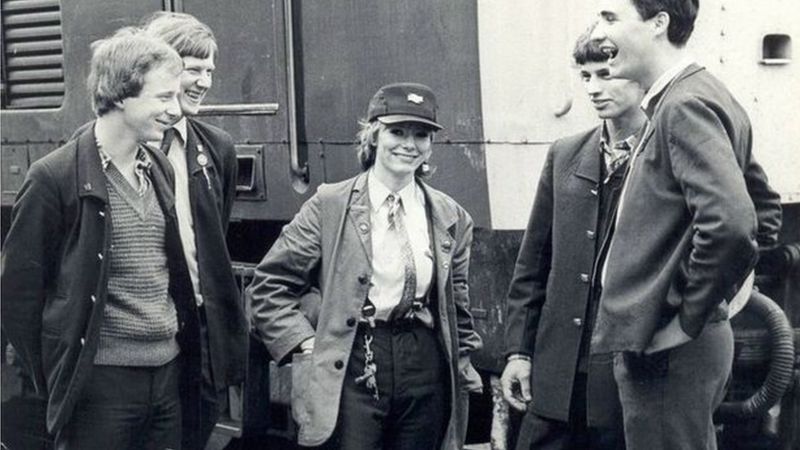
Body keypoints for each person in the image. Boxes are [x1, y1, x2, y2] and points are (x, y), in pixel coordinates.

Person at [589, 1, 783, 448]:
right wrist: (717, 302)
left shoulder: (682, 105)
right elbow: (764, 211)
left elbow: (735, 225)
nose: (600, 32)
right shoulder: (702, 92)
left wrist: (687, 319)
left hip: (667, 351)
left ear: (658, 24)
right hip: (679, 350)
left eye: (611, 18)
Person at [249, 82, 482, 450]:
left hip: (424, 360)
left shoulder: (451, 216)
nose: (409, 144)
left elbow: (458, 299)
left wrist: (464, 354)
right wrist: (308, 344)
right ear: (374, 135)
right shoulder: (330, 205)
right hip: (354, 356)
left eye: (421, 135)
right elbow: (268, 286)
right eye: (397, 131)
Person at [0, 29, 199, 449]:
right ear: (121, 94)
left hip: (165, 376)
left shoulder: (159, 166)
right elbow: (18, 295)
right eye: (163, 98)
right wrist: (61, 375)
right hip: (100, 387)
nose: (175, 110)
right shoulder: (53, 179)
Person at [501, 27, 644, 450]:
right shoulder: (564, 154)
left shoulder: (661, 154)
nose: (594, 89)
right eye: (586, 77)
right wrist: (518, 353)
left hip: (626, 376)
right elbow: (533, 264)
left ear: (639, 74)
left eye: (606, 74)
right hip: (556, 377)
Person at [141, 12, 249, 449]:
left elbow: (211, 241)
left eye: (210, 71)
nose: (204, 82)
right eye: (193, 69)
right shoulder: (115, 147)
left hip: (199, 333)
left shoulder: (217, 148)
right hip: (144, 333)